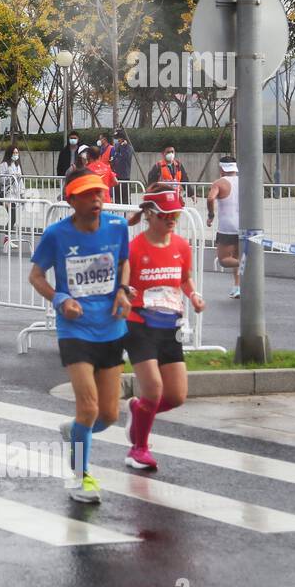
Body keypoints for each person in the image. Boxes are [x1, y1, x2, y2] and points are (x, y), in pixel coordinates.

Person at [28, 167, 132, 503]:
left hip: (112, 327)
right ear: (71, 199)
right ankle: (80, 477)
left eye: (100, 192)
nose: (97, 199)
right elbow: (36, 276)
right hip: (75, 330)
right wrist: (60, 299)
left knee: (110, 415)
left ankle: (75, 432)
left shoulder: (117, 227)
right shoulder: (57, 235)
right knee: (87, 408)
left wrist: (124, 291)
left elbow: (124, 262)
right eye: (88, 194)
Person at [123, 185, 206, 470]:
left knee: (175, 396)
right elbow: (120, 285)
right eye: (165, 215)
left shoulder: (181, 246)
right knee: (154, 389)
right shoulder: (134, 249)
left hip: (170, 325)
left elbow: (184, 279)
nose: (171, 220)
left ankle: (139, 410)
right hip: (139, 325)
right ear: (149, 215)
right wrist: (126, 293)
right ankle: (139, 448)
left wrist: (193, 295)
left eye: (175, 216)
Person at [206, 155, 242, 299]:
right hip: (243, 224)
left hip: (227, 226)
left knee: (224, 259)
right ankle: (238, 287)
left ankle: (249, 266)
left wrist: (211, 215)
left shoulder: (219, 183)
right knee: (236, 257)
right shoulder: (243, 180)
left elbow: (210, 198)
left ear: (221, 168)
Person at [0, 143, 24, 251]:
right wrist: (10, 178)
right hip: (7, 194)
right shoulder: (4, 164)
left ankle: (8, 239)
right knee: (12, 216)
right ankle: (7, 239)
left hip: (16, 194)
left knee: (13, 217)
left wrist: (22, 193)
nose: (16, 154)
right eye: (14, 152)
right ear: (10, 153)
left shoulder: (17, 165)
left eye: (17, 152)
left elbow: (20, 181)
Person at [109, 129, 134, 204]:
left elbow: (125, 157)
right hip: (116, 177)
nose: (116, 140)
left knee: (125, 200)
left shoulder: (128, 148)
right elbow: (114, 160)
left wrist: (124, 146)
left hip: (124, 177)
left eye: (117, 138)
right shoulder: (116, 148)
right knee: (117, 200)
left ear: (123, 138)